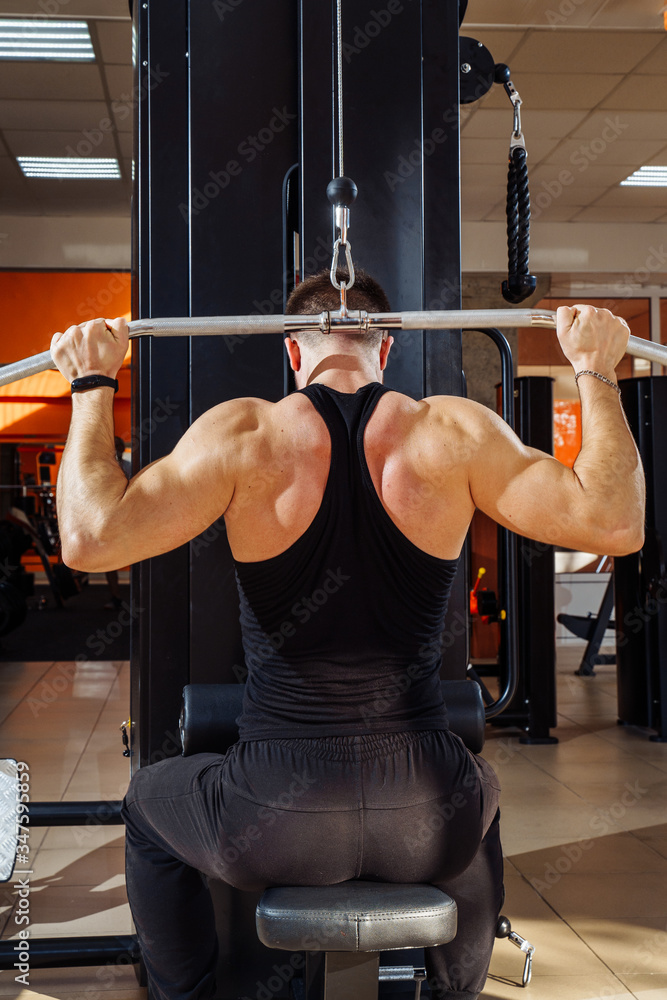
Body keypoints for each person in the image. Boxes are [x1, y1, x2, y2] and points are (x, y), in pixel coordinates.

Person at [51, 271, 644, 1000]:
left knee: (148, 800)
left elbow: (88, 539)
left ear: (290, 351)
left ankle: (188, 996)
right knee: (476, 791)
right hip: (425, 817)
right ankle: (456, 992)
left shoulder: (244, 433)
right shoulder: (454, 432)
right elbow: (616, 524)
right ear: (387, 347)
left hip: (274, 819)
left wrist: (92, 383)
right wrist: (594, 368)